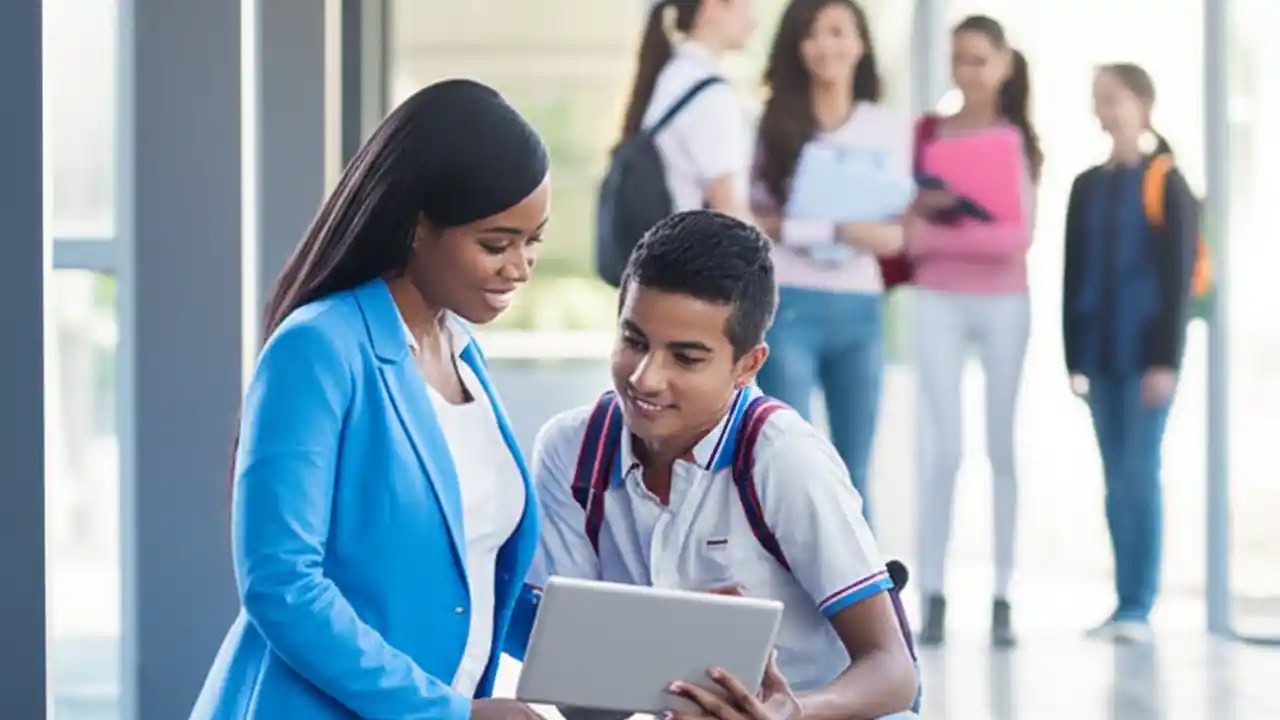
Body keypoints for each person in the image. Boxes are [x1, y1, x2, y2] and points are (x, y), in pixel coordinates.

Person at [190, 80, 551, 720]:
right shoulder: (319, 348)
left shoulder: (461, 350)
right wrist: (451, 714)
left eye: (533, 242)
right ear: (416, 226)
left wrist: (654, 644)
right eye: (496, 244)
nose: (519, 268)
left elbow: (470, 573)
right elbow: (282, 586)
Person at [519, 211, 919, 720]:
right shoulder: (571, 451)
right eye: (634, 341)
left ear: (748, 365)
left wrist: (786, 713)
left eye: (685, 358)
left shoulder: (781, 457)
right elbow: (581, 702)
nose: (646, 378)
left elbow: (894, 671)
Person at [906, 14, 1042, 648]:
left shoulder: (1018, 140)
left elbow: (1019, 239)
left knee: (1002, 447)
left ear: (1004, 64)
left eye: (980, 59)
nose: (968, 71)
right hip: (936, 300)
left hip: (1004, 305)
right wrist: (944, 231)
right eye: (959, 58)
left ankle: (1003, 594)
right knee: (942, 450)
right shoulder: (925, 134)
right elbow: (909, 239)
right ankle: (931, 593)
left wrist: (945, 230)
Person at [750, 0, 911, 523]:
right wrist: (840, 228)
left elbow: (893, 236)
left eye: (839, 32)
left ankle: (862, 599)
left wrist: (813, 226)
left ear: (861, 43)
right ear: (796, 46)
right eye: (814, 35)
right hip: (788, 306)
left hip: (860, 313)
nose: (827, 47)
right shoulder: (770, 124)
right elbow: (754, 223)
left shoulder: (885, 127)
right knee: (791, 464)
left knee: (854, 470)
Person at [1064, 63, 1197, 644]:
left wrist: (1166, 359)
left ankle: (1139, 606)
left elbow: (1179, 279)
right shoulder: (1086, 184)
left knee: (1139, 477)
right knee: (1115, 479)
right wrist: (1073, 358)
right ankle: (1123, 604)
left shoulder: (1167, 181)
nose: (1105, 110)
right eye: (1099, 100)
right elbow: (1072, 276)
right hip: (1099, 358)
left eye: (1114, 99)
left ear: (1142, 104)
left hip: (1146, 361)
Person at [623, 0, 759, 219]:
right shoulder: (710, 93)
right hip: (692, 248)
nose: (754, 20)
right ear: (712, 6)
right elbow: (729, 209)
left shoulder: (675, 75)